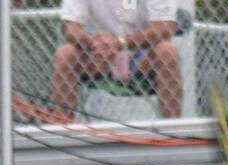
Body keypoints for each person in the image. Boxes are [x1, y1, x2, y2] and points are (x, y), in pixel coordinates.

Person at [53, 0, 182, 120]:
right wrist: (94, 43)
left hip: (142, 55)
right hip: (99, 54)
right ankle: (63, 130)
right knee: (65, 53)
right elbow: (70, 29)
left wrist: (120, 42)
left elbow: (164, 29)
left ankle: (173, 130)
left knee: (167, 50)